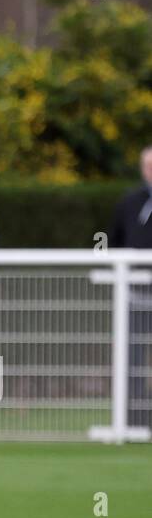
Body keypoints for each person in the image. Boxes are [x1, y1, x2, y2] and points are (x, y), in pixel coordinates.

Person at [109, 145, 152, 430]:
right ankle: (133, 419)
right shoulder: (130, 202)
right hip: (135, 292)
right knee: (132, 355)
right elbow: (113, 240)